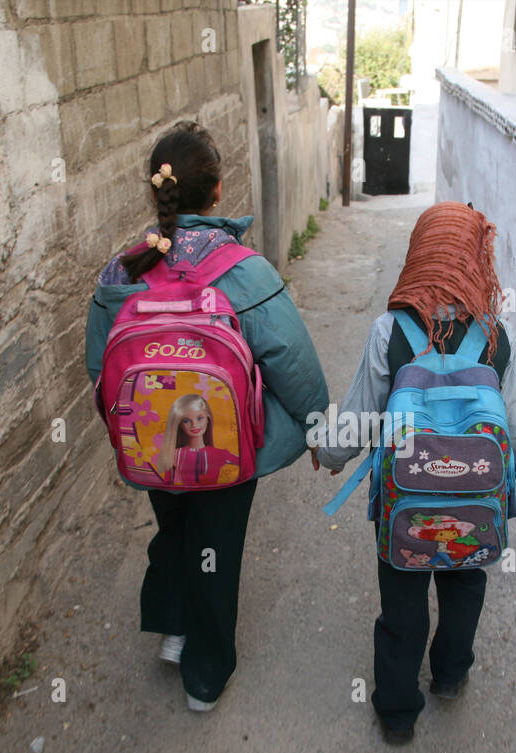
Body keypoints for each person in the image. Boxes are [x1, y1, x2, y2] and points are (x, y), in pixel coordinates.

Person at [86, 121, 328, 712]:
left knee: (175, 528)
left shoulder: (123, 271)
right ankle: (204, 676)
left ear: (155, 193)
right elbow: (290, 360)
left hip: (152, 444)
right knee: (215, 546)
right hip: (225, 451)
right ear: (218, 192)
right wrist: (320, 425)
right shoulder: (244, 271)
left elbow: (100, 364)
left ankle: (174, 628)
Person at [311, 201, 516, 744]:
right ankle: (450, 674)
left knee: (401, 598)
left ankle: (396, 711)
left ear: (420, 254)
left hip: (403, 501)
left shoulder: (388, 331)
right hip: (478, 502)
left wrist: (329, 454)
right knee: (466, 586)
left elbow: (359, 415)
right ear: (477, 258)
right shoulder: (499, 337)